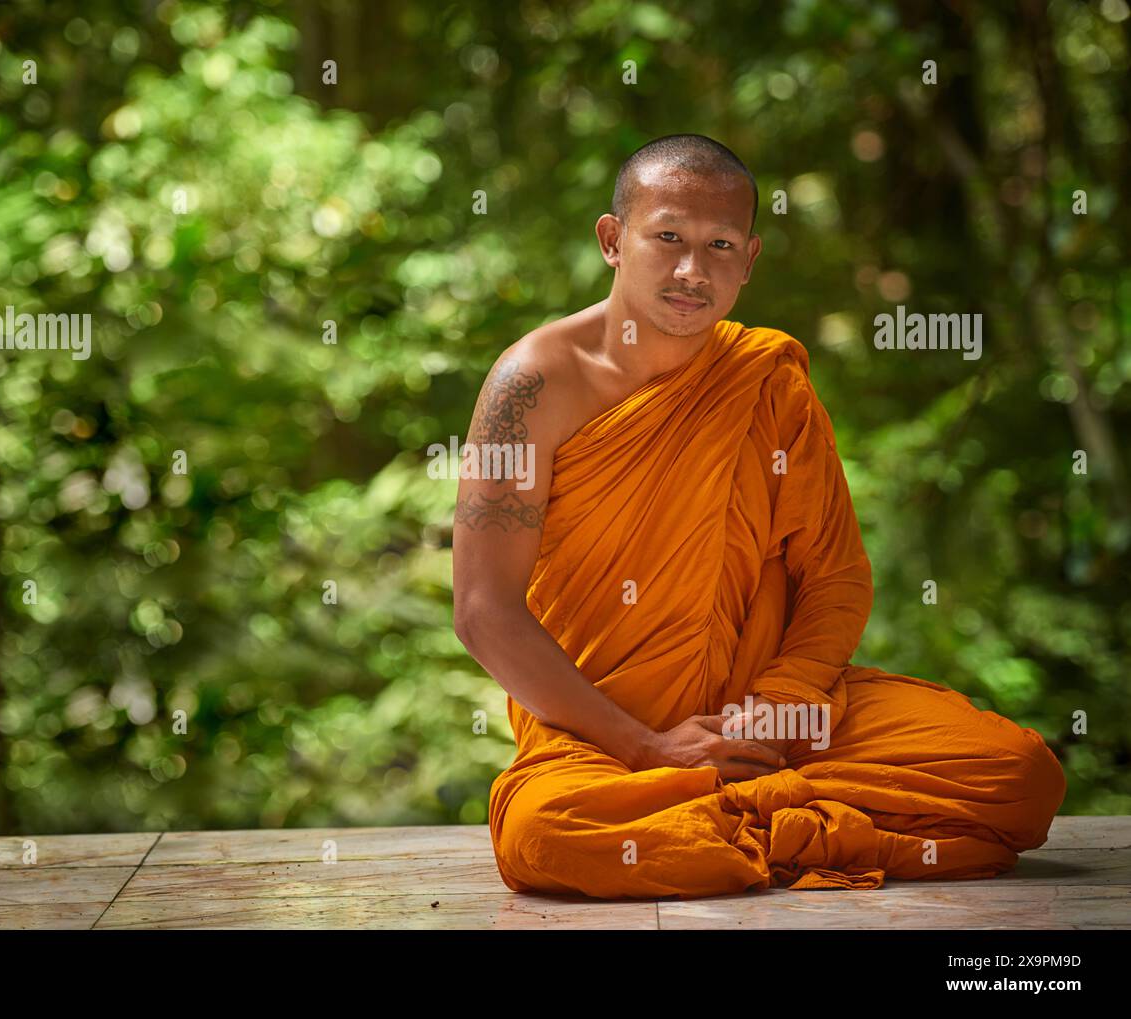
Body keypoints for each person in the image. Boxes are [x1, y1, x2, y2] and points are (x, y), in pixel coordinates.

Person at [450, 133, 1066, 899]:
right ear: (613, 239)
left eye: (720, 246)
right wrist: (648, 748)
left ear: (750, 260)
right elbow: (483, 611)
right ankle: (784, 827)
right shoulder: (530, 387)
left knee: (1020, 774)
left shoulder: (766, 379)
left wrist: (773, 714)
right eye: (667, 237)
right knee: (548, 832)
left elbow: (835, 578)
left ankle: (719, 827)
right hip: (604, 740)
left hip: (765, 729)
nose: (691, 270)